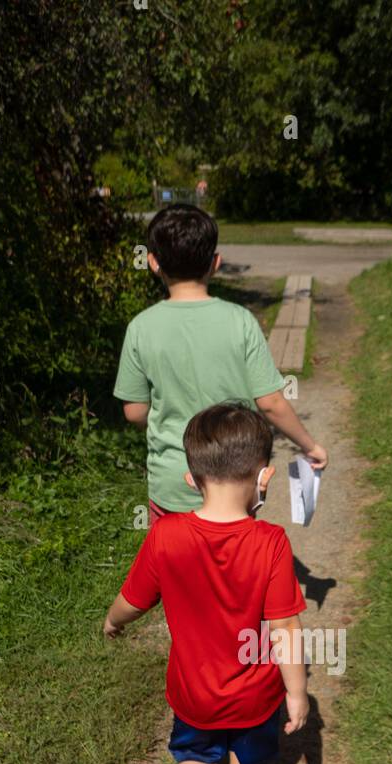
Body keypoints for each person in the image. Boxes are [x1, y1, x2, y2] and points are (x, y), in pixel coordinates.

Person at [103, 402, 308, 764]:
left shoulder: (166, 535)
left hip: (194, 689)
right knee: (248, 755)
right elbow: (284, 626)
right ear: (265, 477)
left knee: (194, 753)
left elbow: (133, 601)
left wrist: (112, 622)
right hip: (255, 692)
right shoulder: (272, 542)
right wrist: (296, 692)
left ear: (192, 480)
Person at [113, 202, 327, 526]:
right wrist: (310, 446)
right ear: (215, 263)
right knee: (233, 569)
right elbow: (270, 403)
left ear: (153, 263)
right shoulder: (240, 321)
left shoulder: (141, 327)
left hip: (172, 483)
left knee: (176, 571)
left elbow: (135, 412)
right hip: (237, 482)